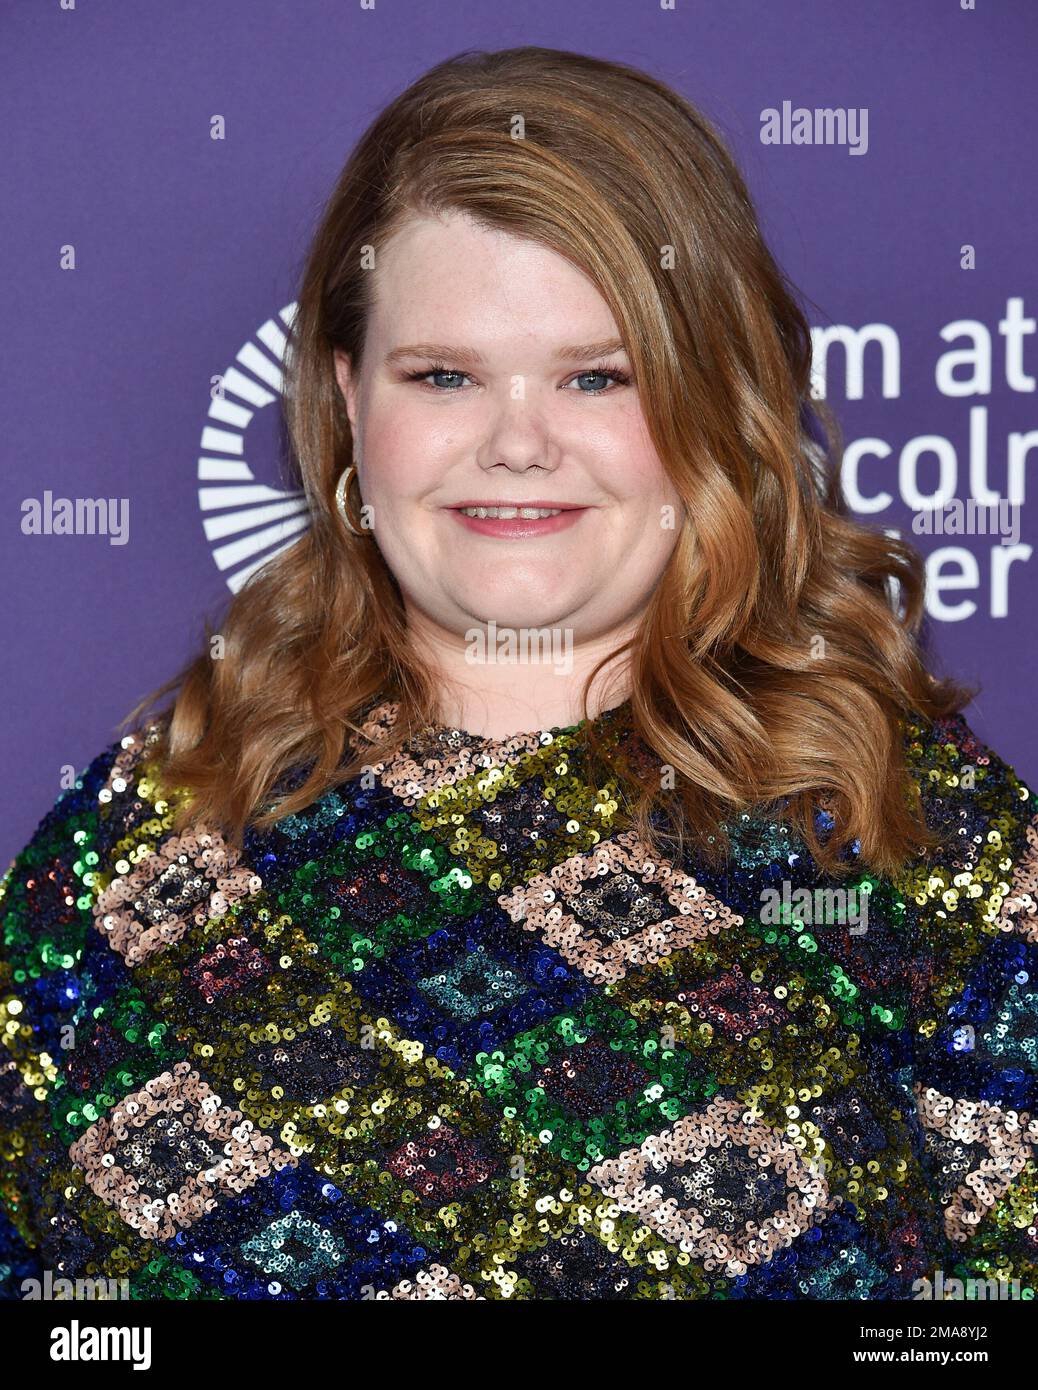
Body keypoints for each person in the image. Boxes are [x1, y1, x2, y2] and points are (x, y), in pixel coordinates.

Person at [2, 45, 1035, 1303]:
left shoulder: (916, 838)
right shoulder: (143, 840)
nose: (517, 443)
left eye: (598, 377)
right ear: (345, 398)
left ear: (716, 398)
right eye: (444, 376)